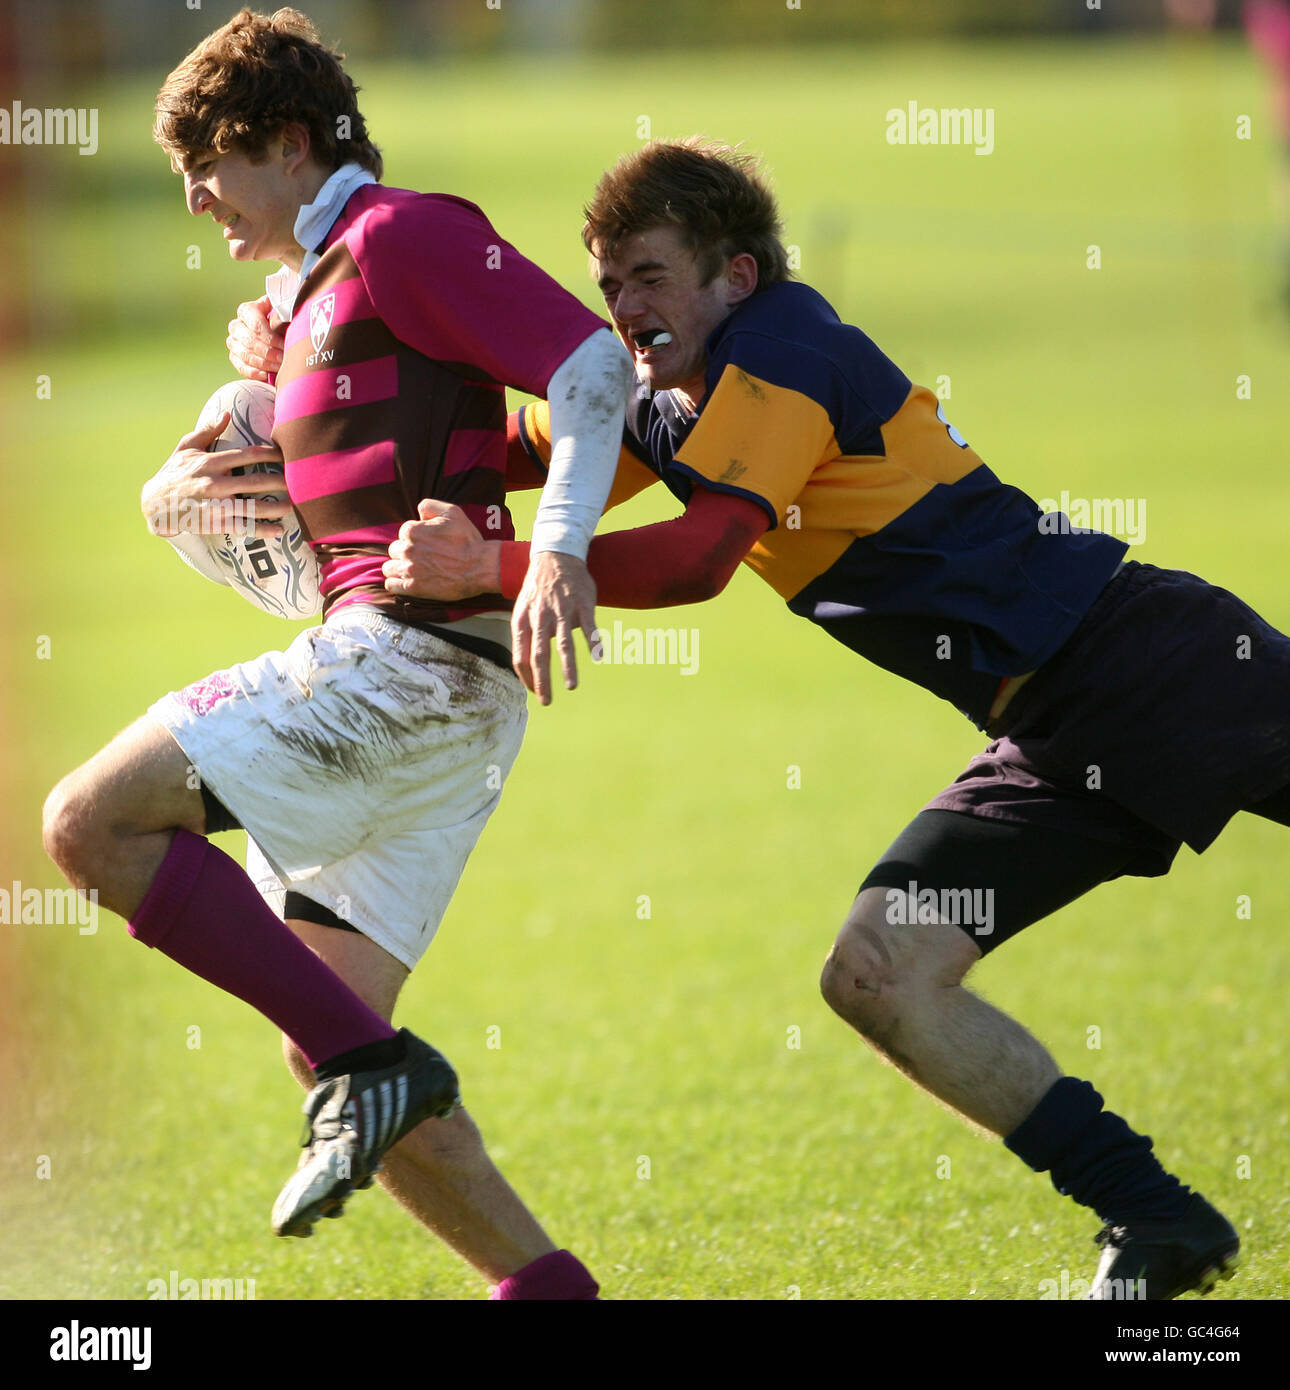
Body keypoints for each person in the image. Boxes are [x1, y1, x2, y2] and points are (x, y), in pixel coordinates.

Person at [378, 137, 1290, 1300]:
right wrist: (300, 410)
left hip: (1153, 664)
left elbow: (705, 554)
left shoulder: (787, 346)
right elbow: (498, 455)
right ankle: (1157, 1220)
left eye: (648, 276)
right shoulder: (664, 398)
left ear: (735, 277)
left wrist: (493, 569)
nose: (623, 308)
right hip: (1049, 740)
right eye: (608, 284)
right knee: (878, 973)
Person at [42, 7, 632, 1300]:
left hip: (408, 668)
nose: (194, 196)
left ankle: (383, 1073)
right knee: (332, 1040)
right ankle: (546, 1290)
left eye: (209, 160)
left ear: (290, 140)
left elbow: (592, 367)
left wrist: (565, 551)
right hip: (436, 695)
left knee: (87, 823)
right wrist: (220, 445)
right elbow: (334, 483)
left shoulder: (405, 234)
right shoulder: (313, 289)